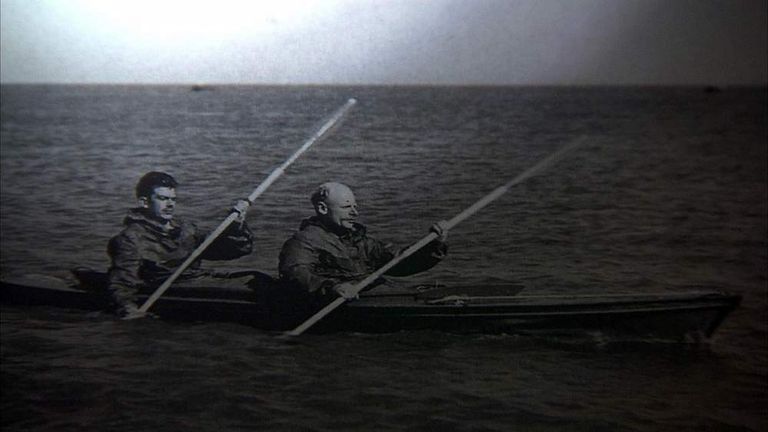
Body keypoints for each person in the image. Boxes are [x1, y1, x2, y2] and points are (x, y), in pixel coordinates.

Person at [107, 171, 254, 319]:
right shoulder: (131, 238)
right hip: (177, 288)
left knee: (257, 279)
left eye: (173, 199)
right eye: (163, 199)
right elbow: (123, 281)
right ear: (144, 202)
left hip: (201, 280)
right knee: (259, 290)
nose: (170, 204)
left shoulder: (186, 229)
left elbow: (232, 251)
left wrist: (236, 226)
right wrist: (128, 309)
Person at [278, 182, 448, 302]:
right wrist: (333, 288)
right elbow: (296, 274)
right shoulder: (303, 241)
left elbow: (399, 263)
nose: (355, 213)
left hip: (376, 294)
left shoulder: (359, 240)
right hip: (340, 300)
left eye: (355, 207)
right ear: (322, 208)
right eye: (346, 208)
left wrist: (433, 245)